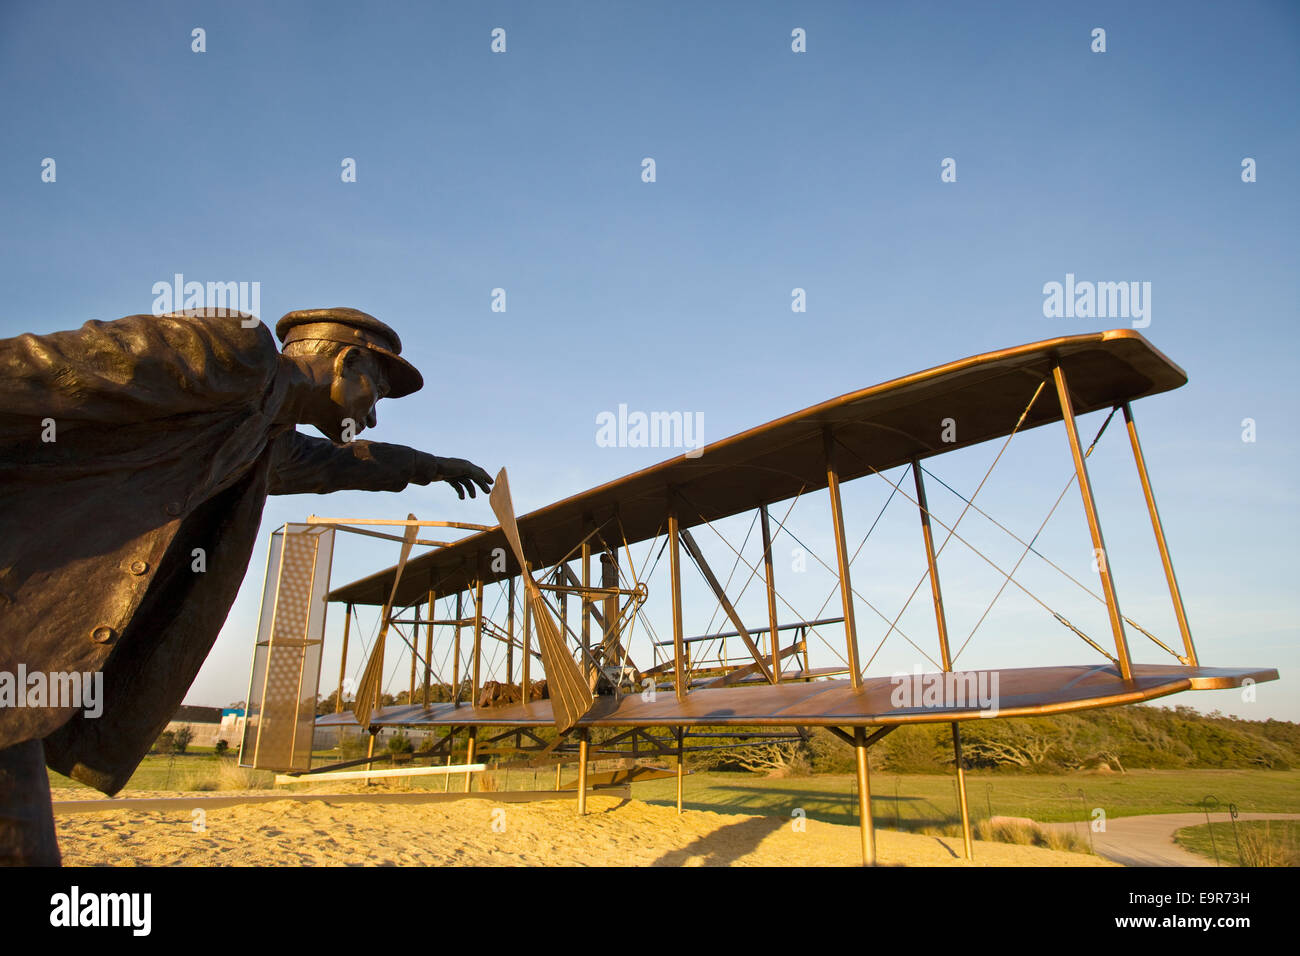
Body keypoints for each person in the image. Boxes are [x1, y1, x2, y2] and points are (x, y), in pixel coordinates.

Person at [0, 306, 492, 865]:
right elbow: (43, 368)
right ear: (347, 361)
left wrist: (431, 466)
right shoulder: (233, 350)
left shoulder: (261, 437)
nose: (373, 418)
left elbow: (340, 466)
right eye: (376, 392)